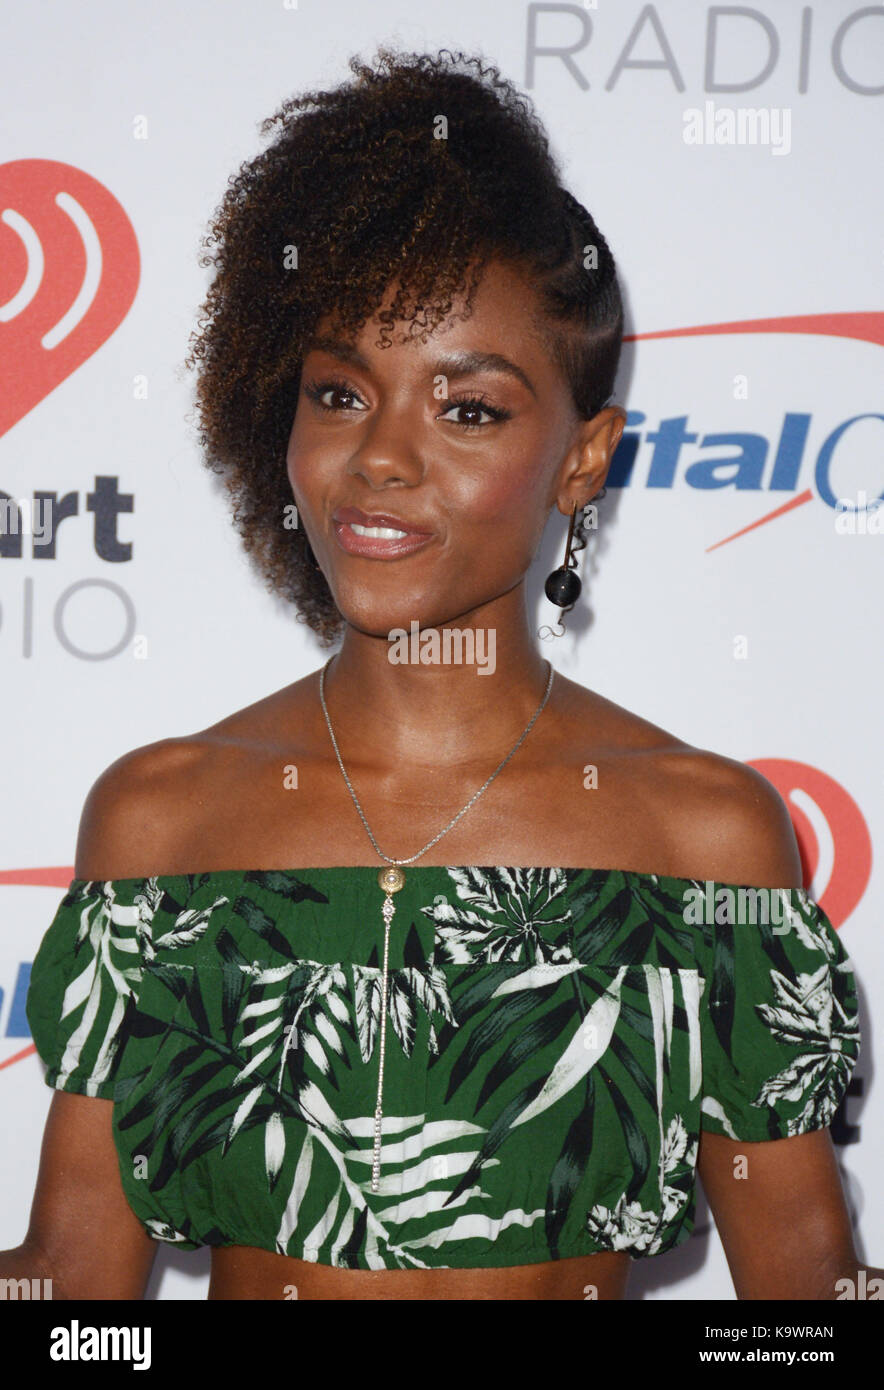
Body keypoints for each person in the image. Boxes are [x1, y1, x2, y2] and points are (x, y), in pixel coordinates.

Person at [4, 47, 875, 1302]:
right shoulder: (158, 824)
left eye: (466, 408)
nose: (381, 458)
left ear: (582, 459)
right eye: (339, 393)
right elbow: (73, 1298)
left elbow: (801, 1314)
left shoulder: (702, 842)